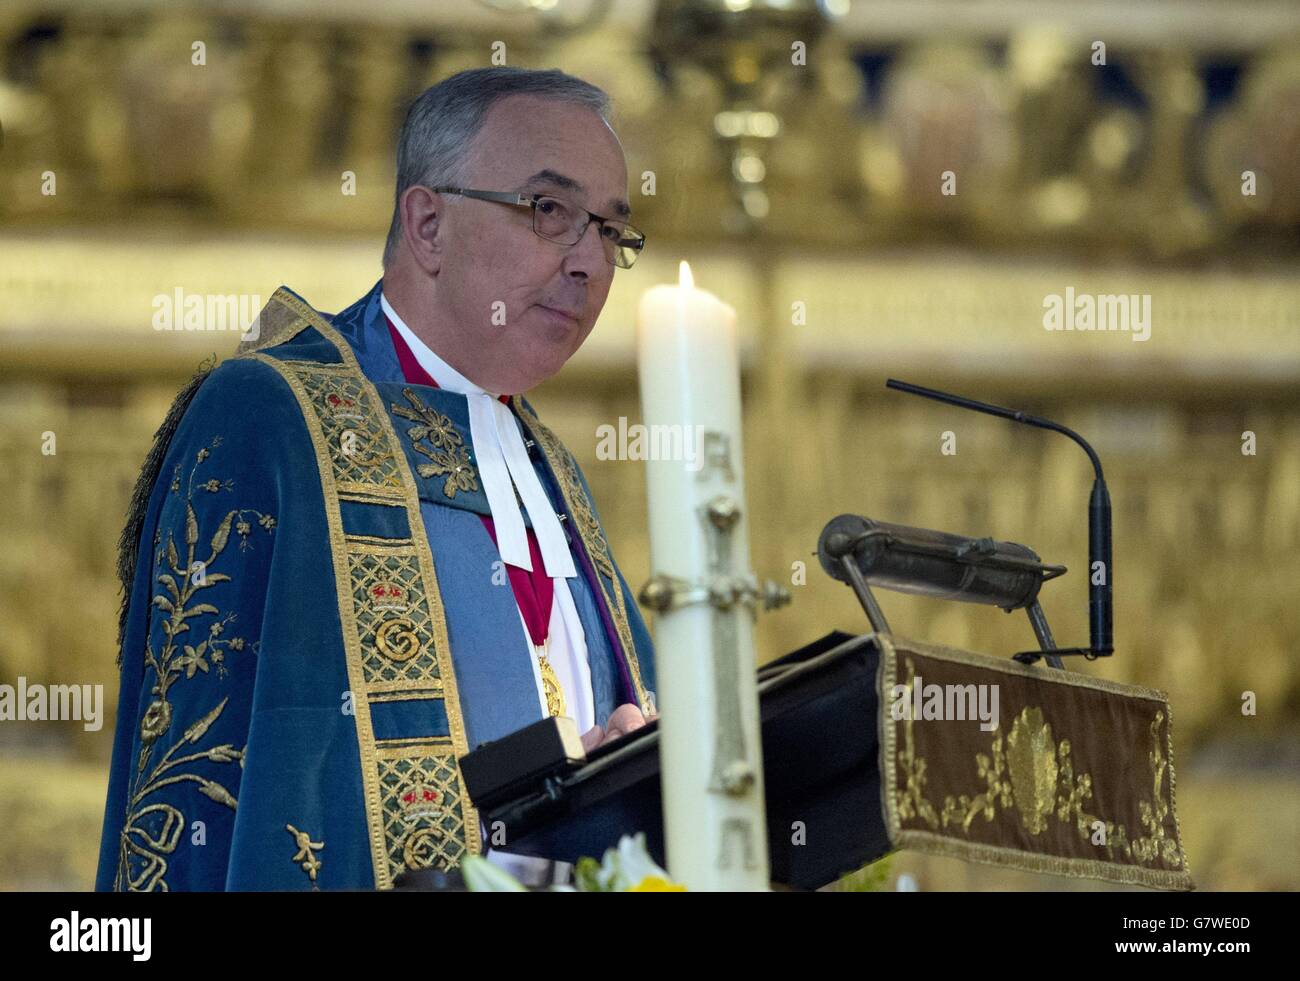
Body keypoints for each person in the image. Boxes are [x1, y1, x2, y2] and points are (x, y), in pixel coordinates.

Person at [96, 66, 657, 891]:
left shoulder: (548, 466)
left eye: (612, 231)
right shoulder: (270, 417)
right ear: (427, 223)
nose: (590, 263)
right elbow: (192, 788)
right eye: (549, 211)